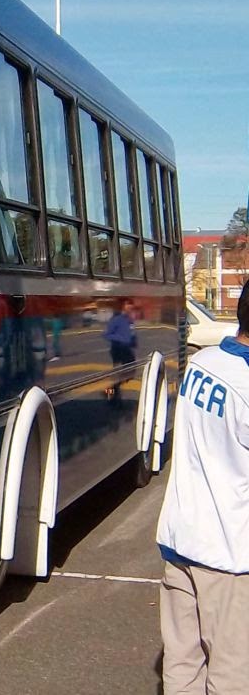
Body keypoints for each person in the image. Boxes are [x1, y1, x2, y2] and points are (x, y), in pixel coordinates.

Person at [156, 279, 249, 693]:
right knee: (231, 677)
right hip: (230, 557)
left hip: (181, 539)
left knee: (181, 665)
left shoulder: (204, 362)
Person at [103, 298, 136, 401]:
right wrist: (121, 339)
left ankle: (113, 391)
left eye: (131, 304)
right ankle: (113, 394)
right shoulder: (116, 319)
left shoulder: (128, 319)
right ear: (123, 306)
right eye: (128, 304)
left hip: (127, 350)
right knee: (118, 374)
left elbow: (130, 332)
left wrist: (133, 341)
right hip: (117, 350)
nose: (130, 307)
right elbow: (106, 334)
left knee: (131, 373)